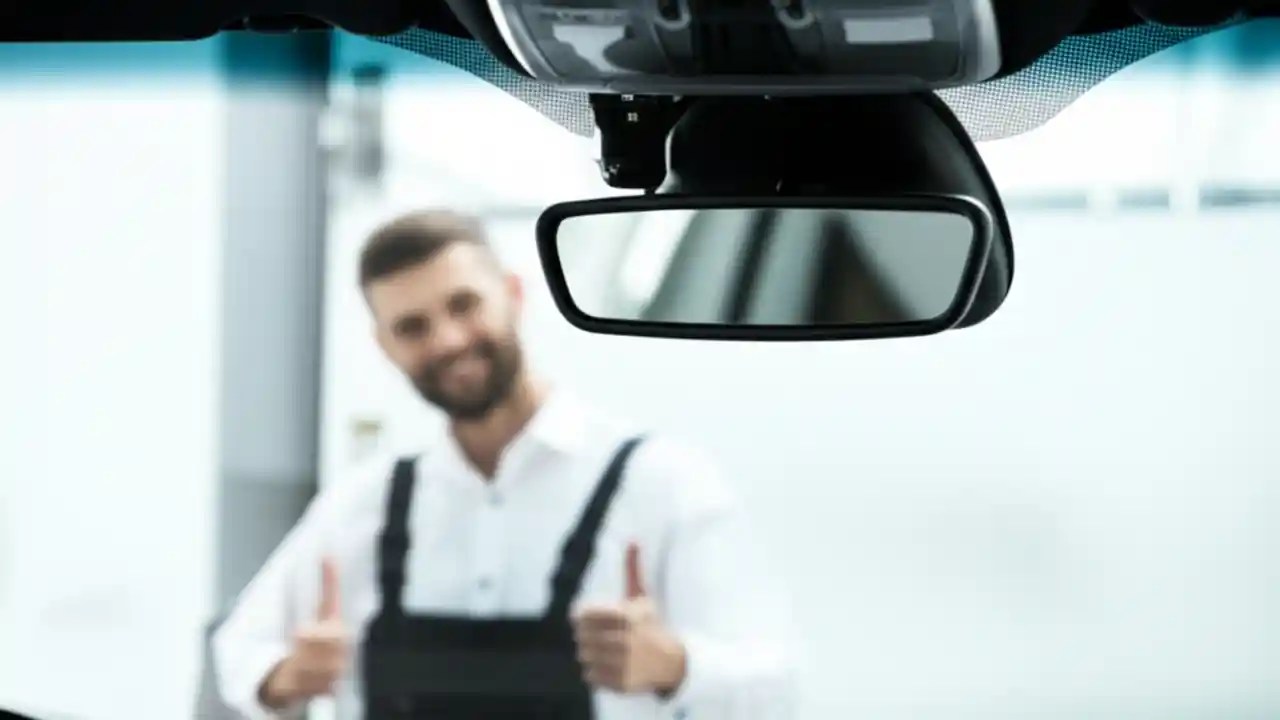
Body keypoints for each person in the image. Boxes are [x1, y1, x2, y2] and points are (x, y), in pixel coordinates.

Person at [211, 209, 798, 720]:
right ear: (385, 346)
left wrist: (673, 666)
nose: (446, 340)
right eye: (412, 327)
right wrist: (291, 676)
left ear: (514, 295)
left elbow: (772, 688)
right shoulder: (363, 504)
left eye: (464, 305)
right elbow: (239, 650)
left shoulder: (662, 484)